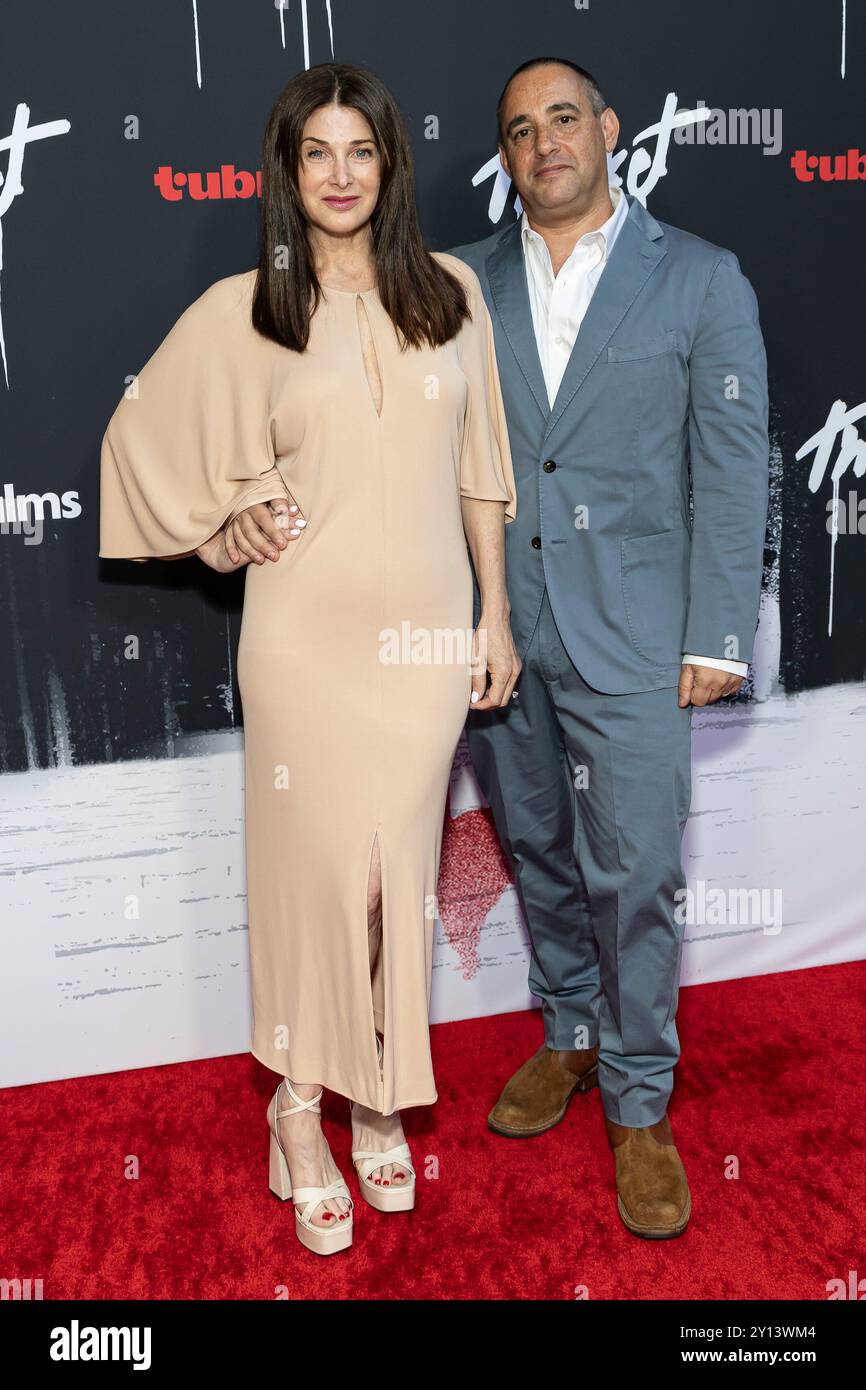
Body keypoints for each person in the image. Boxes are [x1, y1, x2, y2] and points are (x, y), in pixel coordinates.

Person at [99, 62, 520, 1256]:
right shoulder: (251, 307)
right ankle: (299, 1109)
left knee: (395, 876)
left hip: (428, 639)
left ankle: (378, 1092)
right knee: (314, 881)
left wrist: (492, 616)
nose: (340, 175)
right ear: (287, 173)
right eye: (315, 153)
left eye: (361, 151)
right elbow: (141, 445)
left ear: (388, 165)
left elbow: (479, 471)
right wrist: (221, 528)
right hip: (302, 644)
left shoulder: (450, 295)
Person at [449, 56, 769, 1239]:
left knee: (632, 874)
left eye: (563, 118)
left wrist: (716, 632)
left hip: (637, 637)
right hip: (505, 631)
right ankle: (569, 1033)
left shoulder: (696, 279)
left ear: (609, 131)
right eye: (520, 128)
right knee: (536, 845)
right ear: (507, 155)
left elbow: (732, 468)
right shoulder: (463, 283)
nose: (544, 143)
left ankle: (639, 1098)